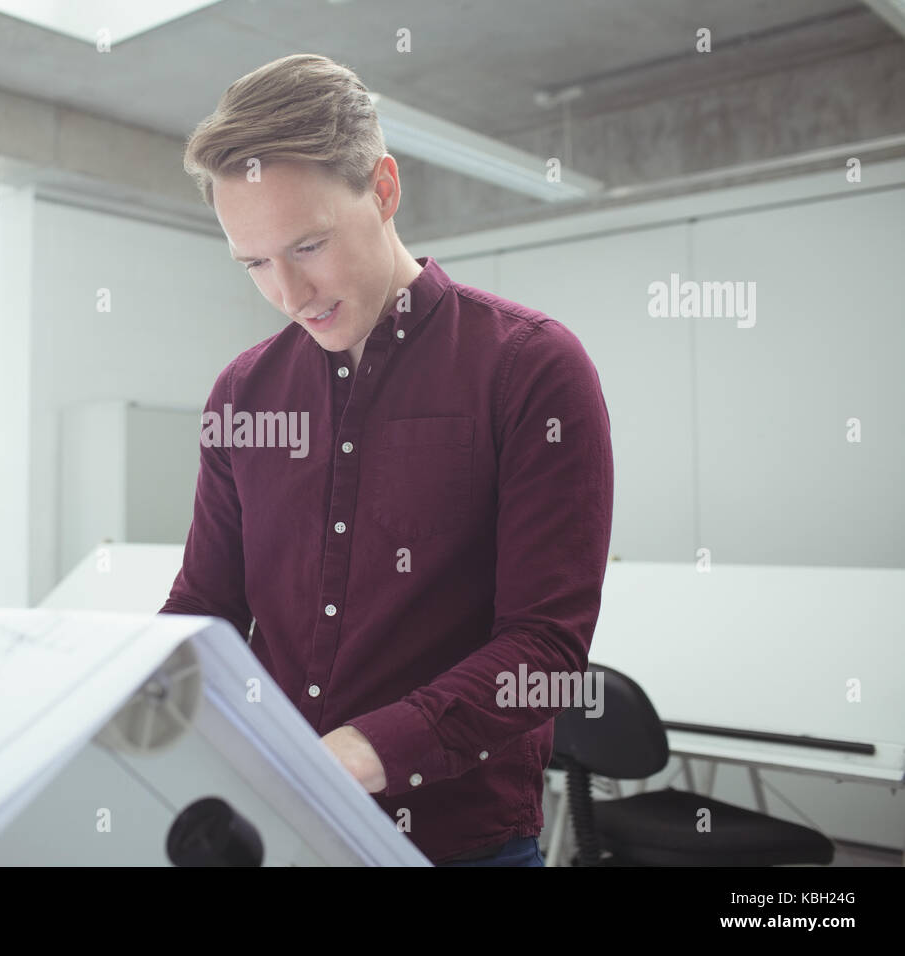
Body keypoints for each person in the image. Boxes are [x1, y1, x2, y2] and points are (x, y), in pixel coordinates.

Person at [159, 53, 614, 867]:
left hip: (459, 843)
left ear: (384, 188)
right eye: (256, 263)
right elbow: (206, 606)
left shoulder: (531, 369)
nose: (289, 295)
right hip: (275, 828)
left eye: (308, 245)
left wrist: (356, 755)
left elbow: (545, 650)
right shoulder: (242, 394)